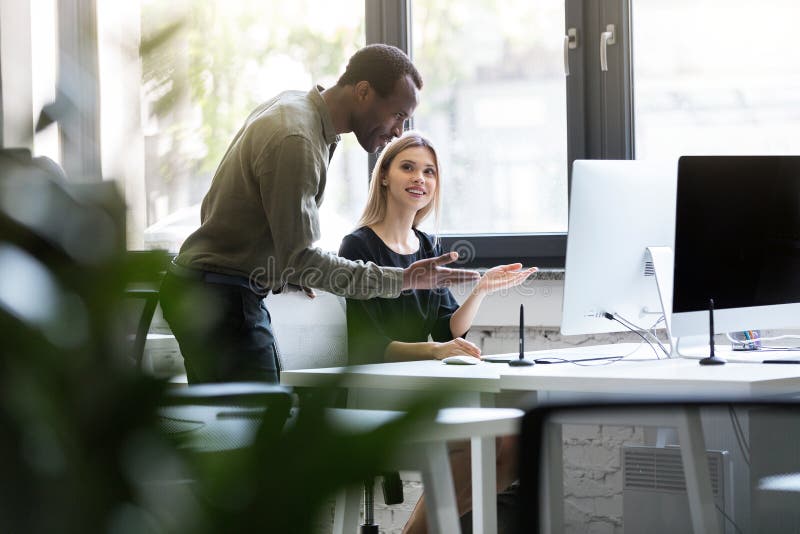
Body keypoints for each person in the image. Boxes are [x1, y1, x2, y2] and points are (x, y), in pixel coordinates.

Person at [159, 44, 478, 384]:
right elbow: (303, 259)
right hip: (218, 295)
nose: (400, 131)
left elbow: (247, 217)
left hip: (214, 288)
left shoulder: (298, 112)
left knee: (240, 424)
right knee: (259, 423)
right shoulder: (297, 138)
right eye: (398, 114)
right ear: (364, 92)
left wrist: (290, 268)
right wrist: (404, 279)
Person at [338, 131, 535, 533]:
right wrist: (435, 352)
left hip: (418, 384)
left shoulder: (427, 245)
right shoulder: (358, 246)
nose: (420, 178)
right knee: (479, 441)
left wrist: (480, 290)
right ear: (385, 178)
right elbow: (367, 344)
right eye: (407, 167)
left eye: (429, 171)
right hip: (376, 391)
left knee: (514, 442)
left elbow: (445, 326)